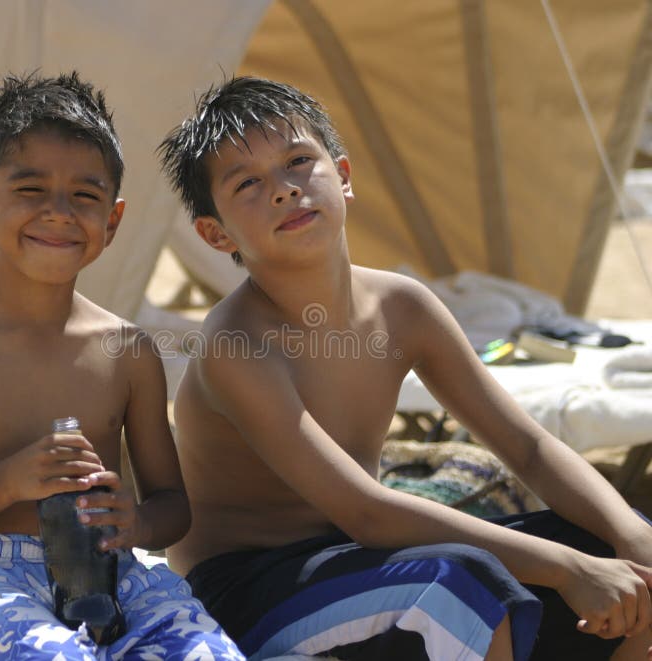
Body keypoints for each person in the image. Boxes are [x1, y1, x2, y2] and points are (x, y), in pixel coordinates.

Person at [158, 75, 652, 661]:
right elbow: (366, 510)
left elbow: (528, 449)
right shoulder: (235, 344)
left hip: (359, 560)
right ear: (216, 234)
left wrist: (630, 536)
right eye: (248, 184)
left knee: (624, 552)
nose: (285, 190)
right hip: (248, 590)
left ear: (342, 175)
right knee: (462, 587)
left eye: (298, 162)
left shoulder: (404, 307)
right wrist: (567, 569)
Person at [0, 71, 243, 661]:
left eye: (85, 197)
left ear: (112, 222)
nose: (59, 213)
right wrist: (8, 482)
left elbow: (172, 508)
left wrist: (135, 525)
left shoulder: (126, 351)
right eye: (30, 189)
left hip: (112, 570)